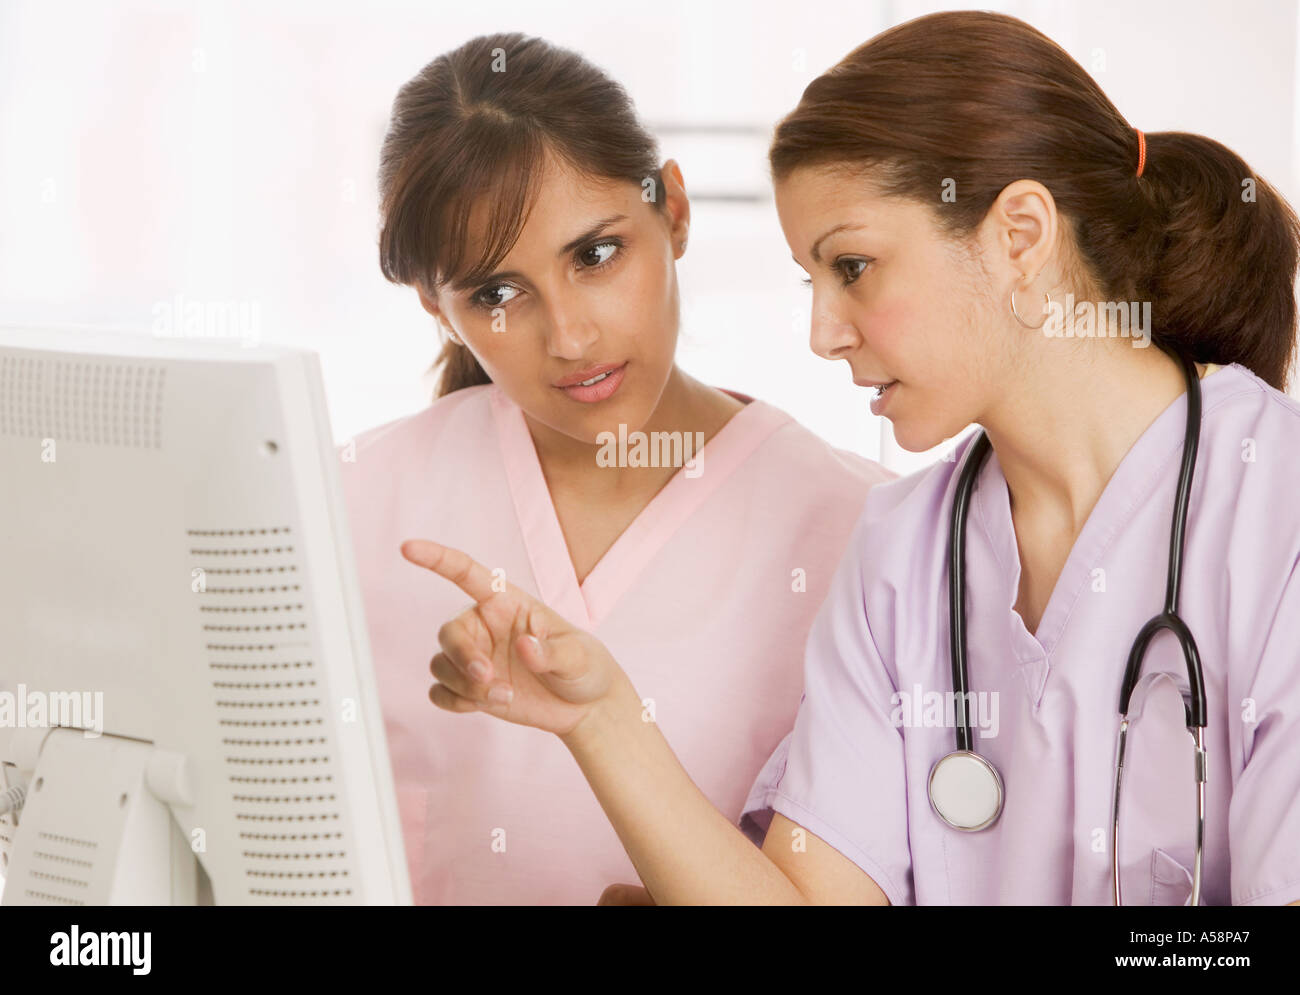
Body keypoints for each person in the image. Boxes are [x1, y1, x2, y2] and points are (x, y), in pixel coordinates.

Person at [403, 10, 1300, 905]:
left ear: (1020, 235)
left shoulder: (1276, 511)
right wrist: (601, 718)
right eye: (812, 279)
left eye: (855, 267)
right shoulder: (903, 553)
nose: (823, 333)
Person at [339, 32, 895, 904]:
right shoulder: (346, 507)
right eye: (494, 294)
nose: (570, 337)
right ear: (436, 308)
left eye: (595, 255)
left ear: (672, 210)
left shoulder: (869, 531)